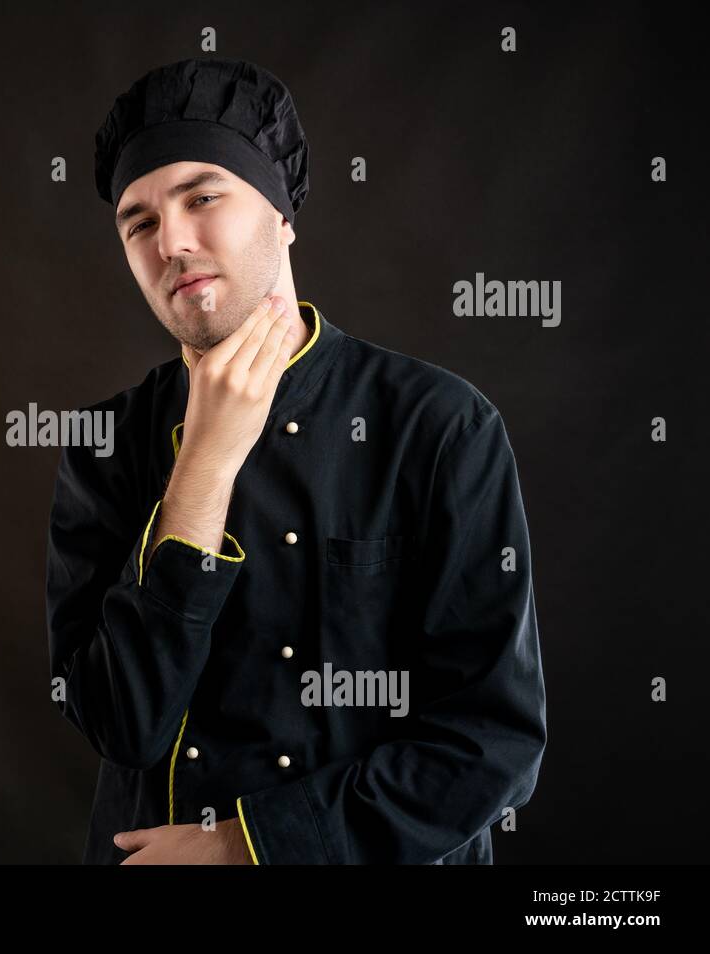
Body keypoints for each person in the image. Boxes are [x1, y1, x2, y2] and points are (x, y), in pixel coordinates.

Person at [45, 57, 547, 864]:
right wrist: (204, 467)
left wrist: (246, 847)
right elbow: (123, 723)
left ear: (281, 213)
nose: (171, 240)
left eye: (203, 196)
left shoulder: (438, 425)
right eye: (137, 222)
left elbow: (492, 742)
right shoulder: (107, 446)